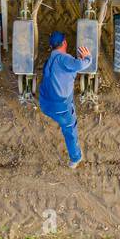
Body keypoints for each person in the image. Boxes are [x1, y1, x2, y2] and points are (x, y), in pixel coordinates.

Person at [38, 30, 92, 168]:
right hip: (60, 107)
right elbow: (80, 65)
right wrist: (87, 58)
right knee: (70, 129)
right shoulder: (63, 59)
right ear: (64, 43)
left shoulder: (50, 60)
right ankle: (75, 159)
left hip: (45, 104)